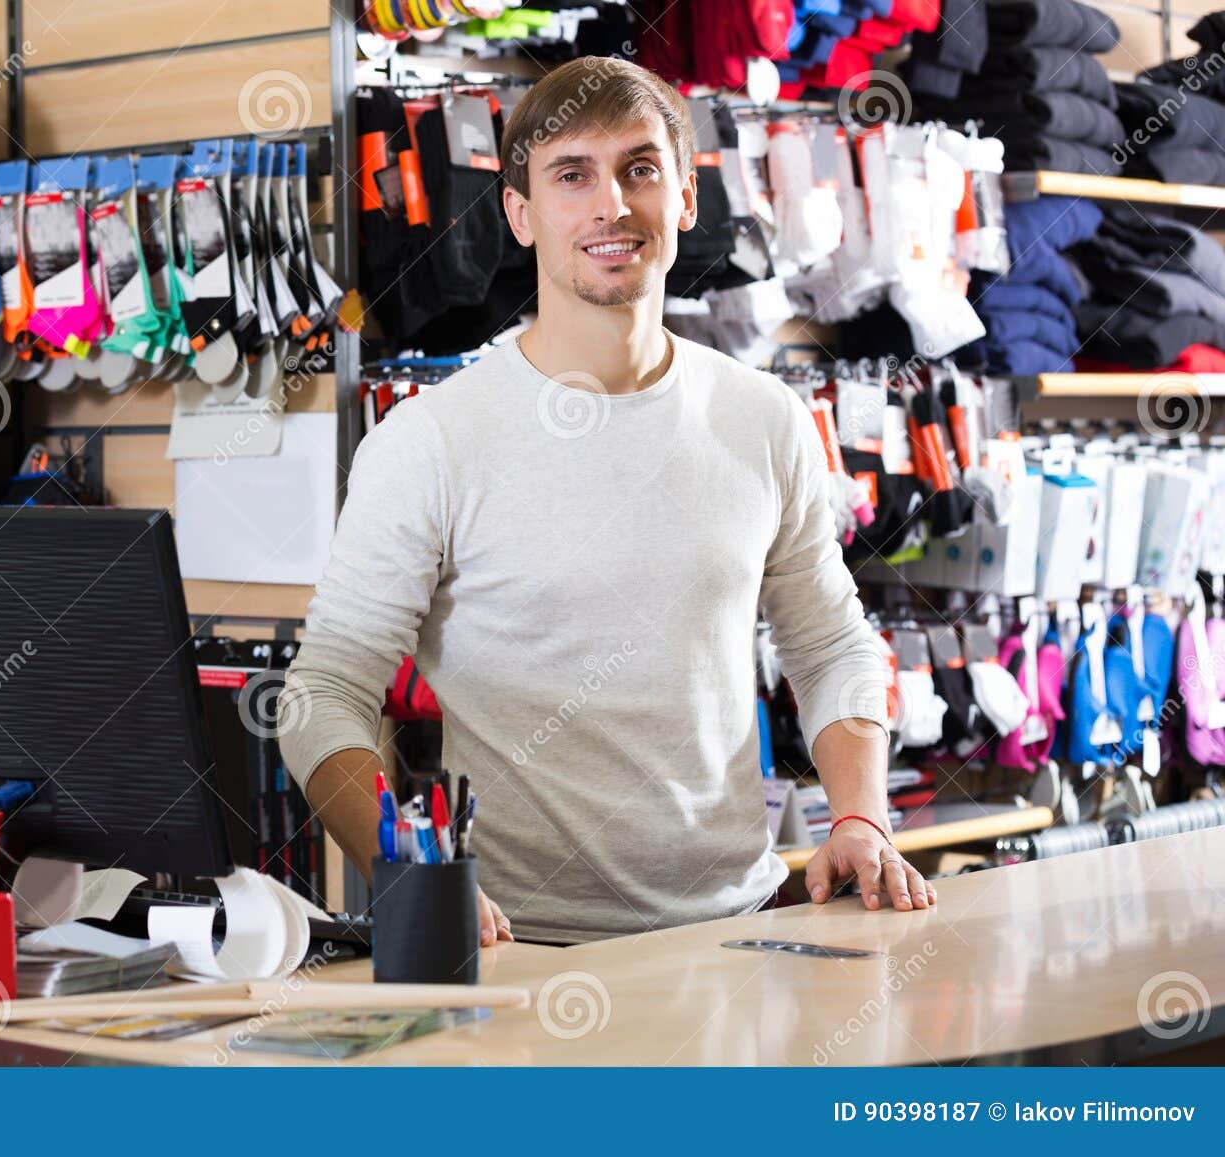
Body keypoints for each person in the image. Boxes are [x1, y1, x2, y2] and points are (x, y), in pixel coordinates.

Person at [279, 56, 934, 946]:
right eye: (572, 175)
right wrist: (409, 871)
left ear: (687, 198)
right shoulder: (432, 440)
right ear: (520, 214)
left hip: (736, 937)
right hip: (517, 950)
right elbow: (325, 689)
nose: (611, 206)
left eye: (640, 169)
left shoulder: (765, 418)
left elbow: (828, 645)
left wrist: (860, 817)